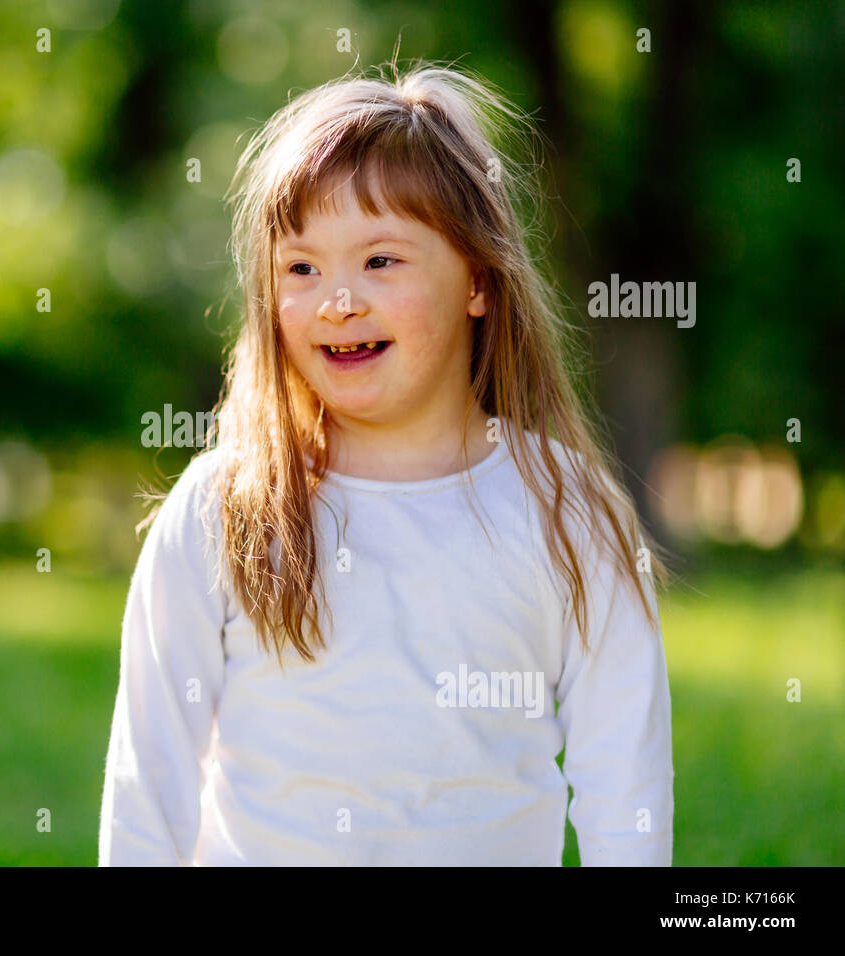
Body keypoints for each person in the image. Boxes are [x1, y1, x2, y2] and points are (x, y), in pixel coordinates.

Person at [98, 61, 674, 866]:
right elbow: (148, 784)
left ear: (478, 278)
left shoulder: (566, 509)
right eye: (302, 268)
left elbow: (627, 783)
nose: (338, 300)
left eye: (380, 261)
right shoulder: (225, 507)